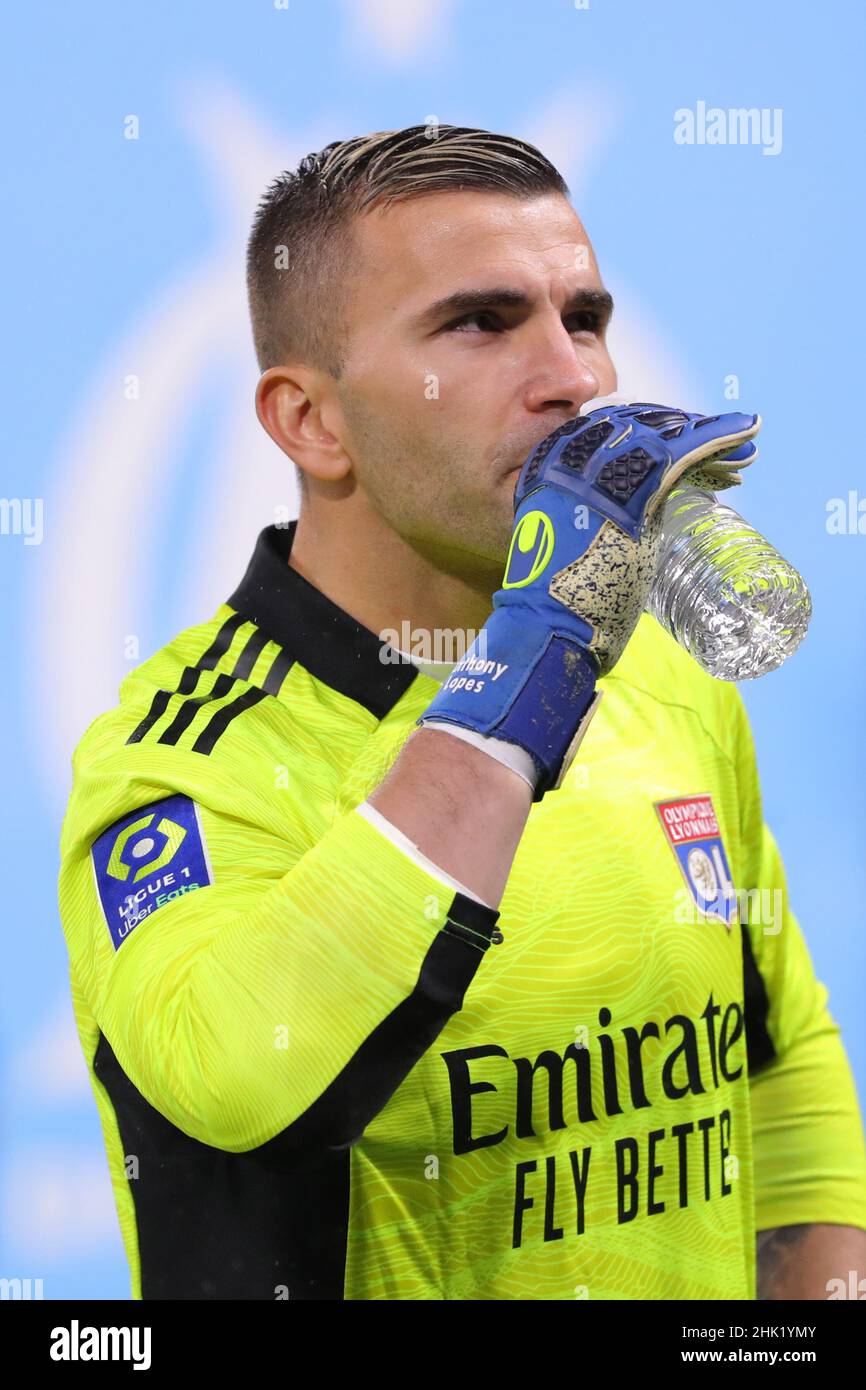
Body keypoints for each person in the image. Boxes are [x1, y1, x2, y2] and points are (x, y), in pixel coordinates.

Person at [58, 124, 866, 1300]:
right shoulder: (182, 760)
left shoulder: (660, 673)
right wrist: (528, 666)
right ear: (309, 423)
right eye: (481, 324)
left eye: (581, 318)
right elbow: (240, 1083)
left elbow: (775, 1061)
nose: (574, 379)